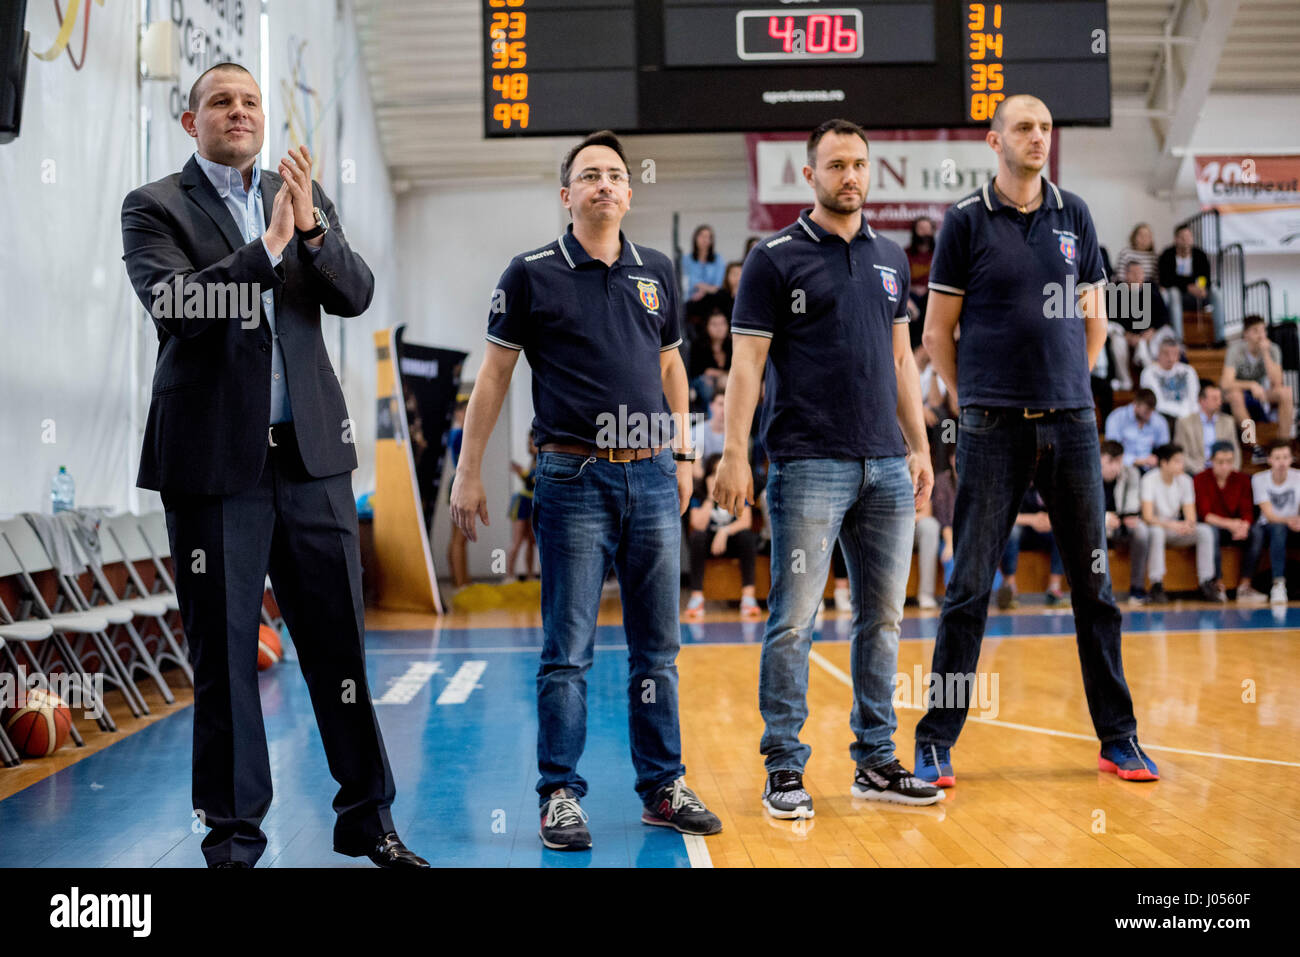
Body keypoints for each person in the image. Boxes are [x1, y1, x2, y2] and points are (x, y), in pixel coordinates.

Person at [120, 62, 426, 868]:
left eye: (250, 101)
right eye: (220, 102)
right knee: (225, 660)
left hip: (312, 459)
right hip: (213, 465)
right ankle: (233, 839)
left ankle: (370, 817)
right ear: (192, 123)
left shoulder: (300, 196)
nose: (239, 111)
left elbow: (356, 294)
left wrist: (313, 231)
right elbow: (181, 307)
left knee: (340, 651)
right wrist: (269, 246)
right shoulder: (153, 207)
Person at [449, 130, 721, 850]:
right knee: (567, 650)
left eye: (615, 175)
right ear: (566, 194)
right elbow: (495, 376)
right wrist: (469, 468)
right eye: (588, 175)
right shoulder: (530, 273)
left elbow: (671, 371)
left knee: (657, 647)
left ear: (629, 192)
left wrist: (685, 450)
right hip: (571, 476)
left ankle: (663, 785)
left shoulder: (656, 269)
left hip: (655, 473)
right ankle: (560, 794)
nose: (604, 184)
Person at [914, 93, 1158, 787]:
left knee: (1096, 587)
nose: (1038, 137)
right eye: (1024, 127)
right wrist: (972, 402)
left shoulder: (1074, 214)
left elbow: (1097, 323)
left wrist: (1067, 387)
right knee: (967, 590)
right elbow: (936, 334)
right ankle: (935, 740)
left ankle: (1120, 738)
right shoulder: (965, 222)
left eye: (1047, 126)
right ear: (994, 141)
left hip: (1073, 426)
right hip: (992, 428)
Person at [713, 118, 942, 817]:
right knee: (793, 620)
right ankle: (785, 766)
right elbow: (746, 363)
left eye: (861, 164)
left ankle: (876, 760)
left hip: (887, 466)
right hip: (808, 462)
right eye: (837, 164)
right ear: (809, 175)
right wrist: (733, 450)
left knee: (883, 621)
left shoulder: (892, 258)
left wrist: (921, 444)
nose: (851, 175)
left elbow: (903, 360)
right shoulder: (774, 258)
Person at [682, 454, 762, 622]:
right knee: (697, 537)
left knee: (747, 537)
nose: (718, 478)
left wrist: (724, 532)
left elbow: (745, 521)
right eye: (714, 473)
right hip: (708, 544)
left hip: (731, 541)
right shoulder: (699, 493)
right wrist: (711, 497)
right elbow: (697, 524)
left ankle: (748, 598)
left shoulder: (738, 491)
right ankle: (697, 598)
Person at [1140, 443, 1220, 604]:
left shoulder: (1185, 480)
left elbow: (1190, 515)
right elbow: (1148, 516)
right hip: (1158, 527)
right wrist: (1172, 525)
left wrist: (1188, 525)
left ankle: (1206, 582)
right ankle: (1157, 584)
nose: (1181, 465)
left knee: (1204, 531)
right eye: (1177, 461)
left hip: (1176, 528)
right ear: (1164, 463)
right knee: (1156, 532)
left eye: (1182, 461)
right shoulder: (1149, 480)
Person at [1194, 441, 1260, 602]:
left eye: (1229, 462)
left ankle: (1245, 585)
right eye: (1220, 462)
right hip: (1218, 526)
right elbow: (1205, 514)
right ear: (1212, 461)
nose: (1225, 466)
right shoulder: (1201, 479)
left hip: (1237, 528)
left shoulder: (1242, 479)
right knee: (1210, 532)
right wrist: (1231, 524)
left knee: (1257, 532)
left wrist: (1244, 525)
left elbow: (1247, 510)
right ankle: (1218, 583)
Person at [1222, 315, 1295, 441]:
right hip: (1239, 393)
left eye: (1263, 330)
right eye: (1255, 331)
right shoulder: (1235, 350)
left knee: (1286, 392)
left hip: (1260, 392)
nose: (1261, 335)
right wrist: (1251, 385)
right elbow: (1226, 383)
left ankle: (1284, 443)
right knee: (1236, 395)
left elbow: (1277, 382)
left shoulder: (1273, 349)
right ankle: (1253, 444)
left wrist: (1266, 353)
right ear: (1245, 335)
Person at [994, 486, 1066, 608]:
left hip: (1044, 530)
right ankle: (1010, 588)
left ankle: (1054, 589)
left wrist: (1050, 520)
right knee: (1011, 531)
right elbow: (1002, 517)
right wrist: (1032, 520)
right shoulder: (1012, 481)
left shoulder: (1053, 481)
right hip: (1020, 532)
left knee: (1063, 531)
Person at [1249, 439, 1300, 603]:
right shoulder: (1259, 478)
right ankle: (1278, 584)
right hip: (1268, 526)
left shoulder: (1298, 477)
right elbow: (1269, 515)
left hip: (1294, 524)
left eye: (1285, 457)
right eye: (1277, 458)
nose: (1282, 462)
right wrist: (1290, 521)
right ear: (1269, 460)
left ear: (1291, 459)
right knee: (1278, 528)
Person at [1100, 440, 1150, 603]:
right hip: (1099, 525)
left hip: (1121, 524)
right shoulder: (1088, 475)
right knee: (1094, 533)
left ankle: (1137, 588)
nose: (1115, 467)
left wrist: (1124, 518)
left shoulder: (1130, 474)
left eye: (1119, 461)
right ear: (1099, 459)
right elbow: (1083, 510)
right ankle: (1098, 589)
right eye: (1110, 462)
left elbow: (1132, 507)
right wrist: (1104, 518)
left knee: (1141, 530)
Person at [1158, 225, 1224, 345]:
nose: (1186, 240)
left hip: (1198, 295)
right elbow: (1166, 279)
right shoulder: (1167, 255)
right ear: (1176, 239)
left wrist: (1204, 288)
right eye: (1182, 237)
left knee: (1216, 292)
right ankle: (1179, 340)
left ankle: (1220, 338)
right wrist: (1188, 286)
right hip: (1178, 298)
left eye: (1188, 237)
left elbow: (1206, 276)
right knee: (1173, 293)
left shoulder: (1200, 255)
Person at [1174, 381, 1240, 474]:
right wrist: (1200, 471)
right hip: (1196, 471)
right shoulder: (1185, 423)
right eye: (1214, 398)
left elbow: (1235, 451)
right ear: (1202, 401)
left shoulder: (1228, 422)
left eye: (1220, 398)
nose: (1219, 402)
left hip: (1223, 470)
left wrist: (1231, 469)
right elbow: (1181, 454)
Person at [1105, 389, 1170, 470]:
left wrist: (1156, 459)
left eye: (1151, 411)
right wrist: (1138, 461)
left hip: (1150, 467)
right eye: (1146, 411)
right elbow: (1112, 451)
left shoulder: (1159, 421)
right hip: (1124, 466)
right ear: (1135, 404)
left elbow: (1164, 449)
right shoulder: (1116, 418)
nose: (1149, 416)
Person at [1140, 337, 1199, 428]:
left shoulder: (1188, 371)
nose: (1171, 358)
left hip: (1188, 416)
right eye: (1166, 354)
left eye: (1174, 354)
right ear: (1158, 354)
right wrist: (1180, 415)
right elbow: (1156, 403)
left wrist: (1189, 415)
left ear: (1179, 355)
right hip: (1164, 417)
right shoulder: (1149, 373)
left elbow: (1193, 398)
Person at [687, 307, 732, 407]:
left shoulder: (731, 345)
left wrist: (720, 374)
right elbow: (701, 371)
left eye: (722, 323)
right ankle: (711, 417)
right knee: (707, 383)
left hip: (725, 380)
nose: (719, 328)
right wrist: (723, 374)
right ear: (707, 326)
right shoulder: (698, 345)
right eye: (714, 324)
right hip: (700, 382)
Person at [506, 438, 538, 580]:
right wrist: (524, 474)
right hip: (522, 502)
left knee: (531, 541)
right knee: (517, 541)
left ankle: (530, 575)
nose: (530, 447)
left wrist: (523, 473)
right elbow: (532, 481)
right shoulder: (534, 460)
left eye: (532, 443)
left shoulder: (539, 460)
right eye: (529, 443)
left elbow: (534, 480)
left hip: (532, 502)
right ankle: (509, 576)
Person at [447, 400, 470, 587]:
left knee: (459, 537)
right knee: (459, 537)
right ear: (459, 413)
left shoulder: (456, 433)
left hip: (458, 481)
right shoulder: (459, 434)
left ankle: (461, 581)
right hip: (459, 482)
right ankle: (460, 583)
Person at [905, 216, 936, 337]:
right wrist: (913, 289)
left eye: (927, 229)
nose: (924, 232)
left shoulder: (940, 253)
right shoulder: (905, 254)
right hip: (911, 298)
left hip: (932, 296)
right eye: (921, 228)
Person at [681, 223, 726, 302]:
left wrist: (703, 290)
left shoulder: (718, 259)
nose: (705, 240)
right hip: (691, 298)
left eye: (708, 237)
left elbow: (719, 283)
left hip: (713, 298)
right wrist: (704, 288)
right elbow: (688, 280)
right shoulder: (686, 259)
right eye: (702, 236)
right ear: (695, 238)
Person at [691, 389, 728, 477]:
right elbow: (695, 469)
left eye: (728, 405)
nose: (724, 409)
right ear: (711, 406)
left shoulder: (737, 436)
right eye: (721, 404)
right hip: (703, 483)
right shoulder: (696, 432)